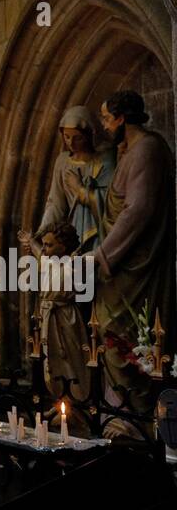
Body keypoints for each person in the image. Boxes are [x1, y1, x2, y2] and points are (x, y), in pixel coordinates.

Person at [93, 90, 174, 424]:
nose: (103, 125)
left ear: (122, 118)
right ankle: (118, 414)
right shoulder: (129, 152)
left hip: (136, 268)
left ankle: (134, 421)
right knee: (107, 331)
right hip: (120, 266)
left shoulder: (147, 149)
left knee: (125, 334)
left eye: (106, 118)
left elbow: (138, 210)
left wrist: (103, 255)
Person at [18, 221, 90, 402]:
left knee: (70, 361)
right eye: (43, 244)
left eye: (49, 245)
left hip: (65, 318)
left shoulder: (74, 262)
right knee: (51, 363)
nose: (44, 249)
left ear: (63, 246)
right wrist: (30, 242)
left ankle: (77, 405)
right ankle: (62, 402)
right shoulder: (49, 261)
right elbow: (38, 253)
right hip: (49, 318)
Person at [36, 106, 115, 254]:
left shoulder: (105, 160)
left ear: (90, 135)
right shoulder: (62, 162)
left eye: (77, 137)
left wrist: (80, 189)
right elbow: (55, 203)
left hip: (100, 233)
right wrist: (43, 231)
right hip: (73, 234)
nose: (71, 143)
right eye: (67, 137)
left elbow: (113, 201)